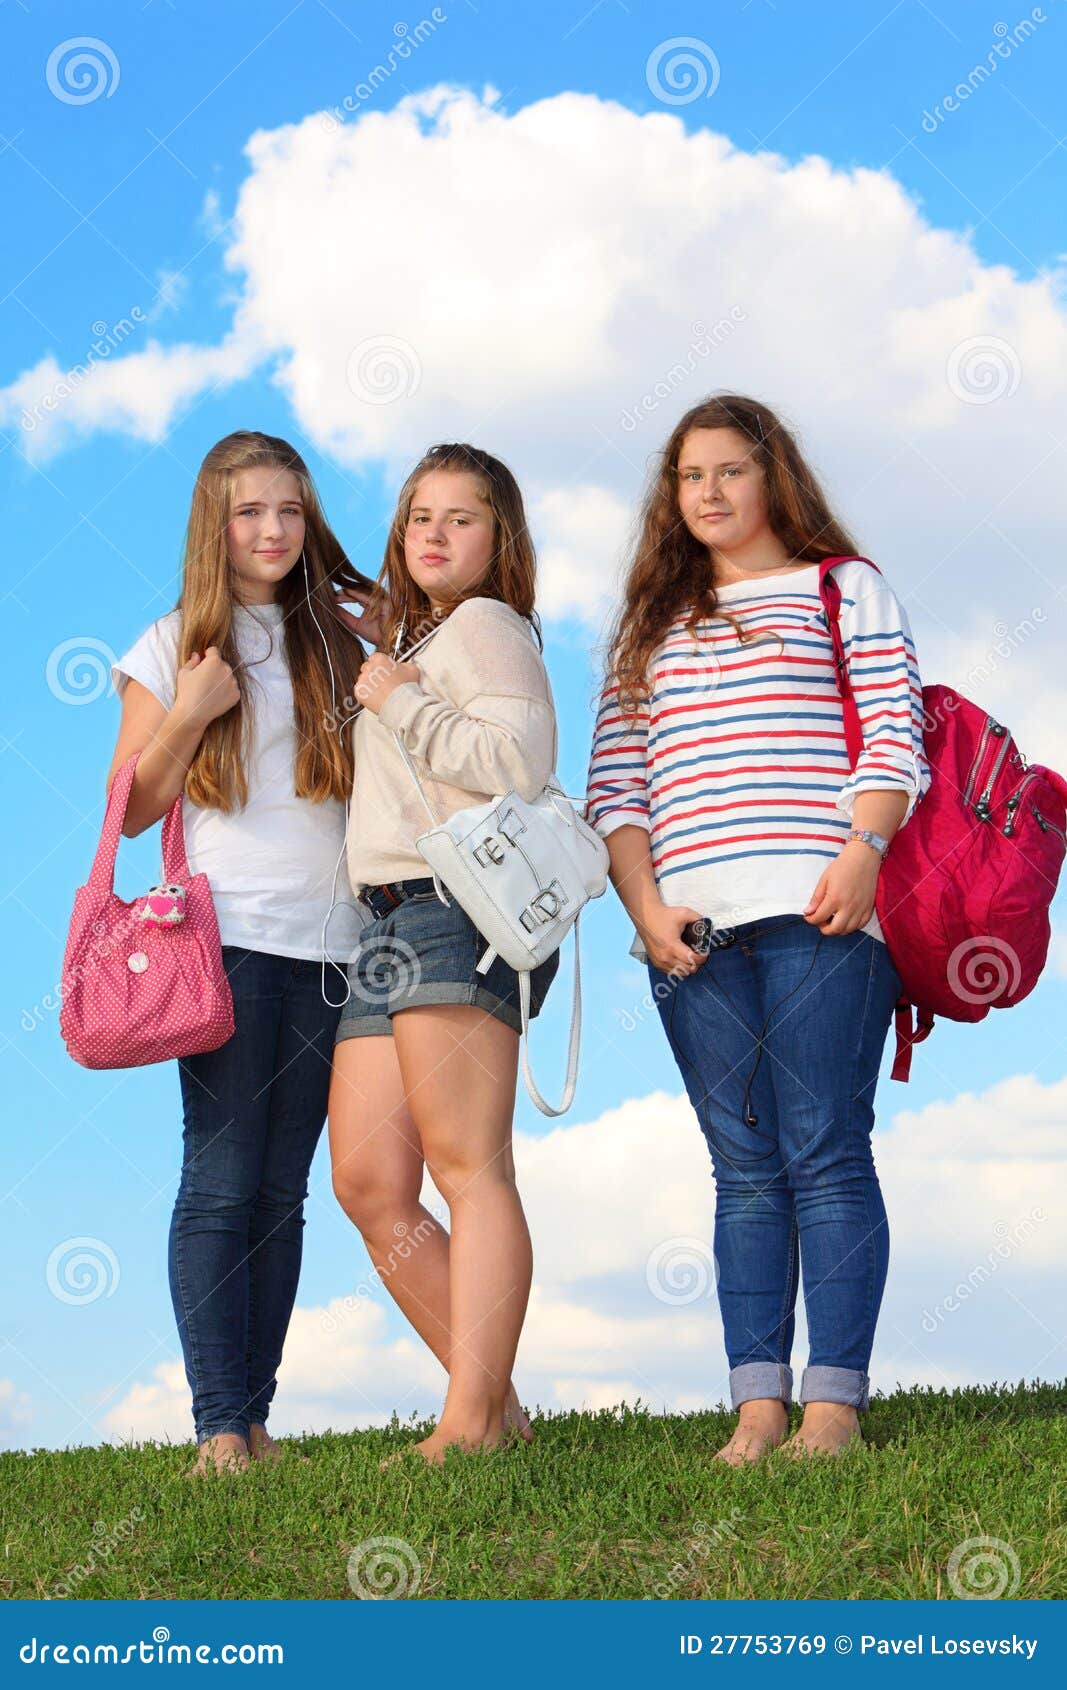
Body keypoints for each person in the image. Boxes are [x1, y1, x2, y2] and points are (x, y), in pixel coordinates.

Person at [585, 394, 930, 1465]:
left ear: (772, 477)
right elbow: (617, 784)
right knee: (740, 1167)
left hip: (822, 906)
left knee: (824, 1150)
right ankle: (755, 1407)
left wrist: (861, 852)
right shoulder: (651, 624)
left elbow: (893, 728)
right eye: (690, 478)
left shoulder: (843, 588)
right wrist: (643, 913)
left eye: (730, 471)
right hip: (690, 929)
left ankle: (831, 1407)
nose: (709, 494)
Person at [107, 430, 367, 1476]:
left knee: (281, 1191)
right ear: (215, 527)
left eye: (290, 511)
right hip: (225, 942)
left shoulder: (337, 644)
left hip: (337, 948)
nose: (272, 530)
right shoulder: (171, 643)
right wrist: (190, 713)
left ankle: (255, 1415)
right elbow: (129, 809)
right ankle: (218, 1422)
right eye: (251, 511)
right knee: (220, 1178)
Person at [328, 442, 560, 1465]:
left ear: (497, 539)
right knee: (370, 1182)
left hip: (451, 911)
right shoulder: (427, 636)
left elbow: (518, 762)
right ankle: (494, 1407)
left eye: (460, 518)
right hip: (382, 921)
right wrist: (399, 670)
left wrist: (399, 698)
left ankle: (465, 1425)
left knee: (470, 1169)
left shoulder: (490, 626)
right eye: (419, 515)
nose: (433, 532)